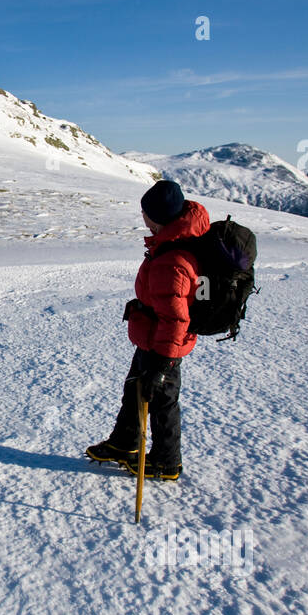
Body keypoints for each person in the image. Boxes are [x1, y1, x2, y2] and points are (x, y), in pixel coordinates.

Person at [86, 180, 209, 480]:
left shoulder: (172, 261)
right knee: (134, 390)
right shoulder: (170, 242)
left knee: (162, 401)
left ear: (158, 216)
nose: (143, 218)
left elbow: (176, 318)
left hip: (164, 345)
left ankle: (167, 461)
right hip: (151, 337)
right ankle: (124, 443)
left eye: (146, 213)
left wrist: (164, 364)